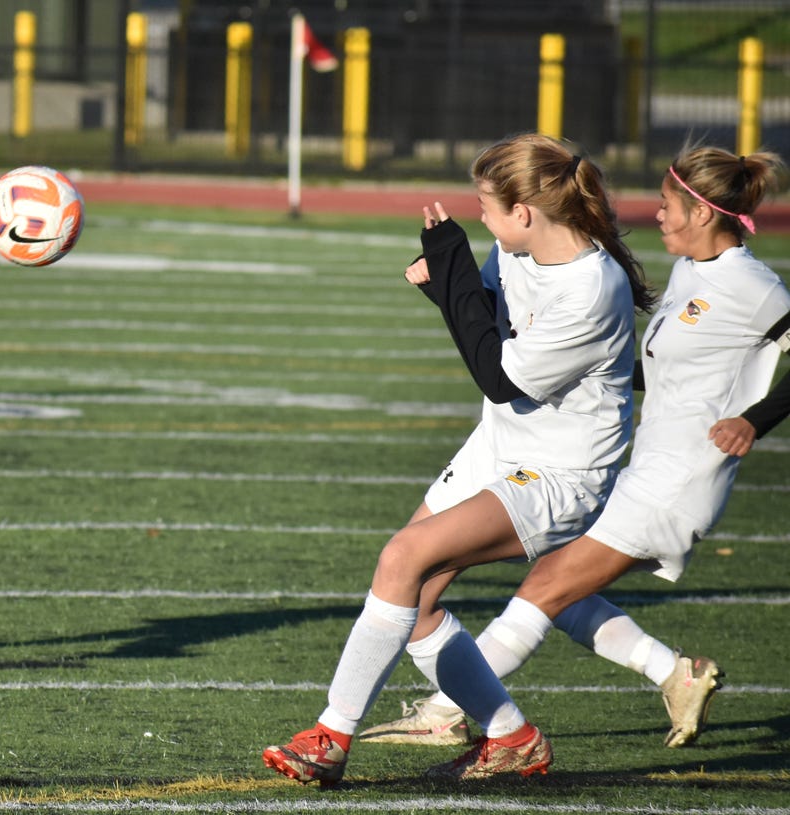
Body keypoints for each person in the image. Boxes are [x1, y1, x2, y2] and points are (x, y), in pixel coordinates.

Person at [357, 145, 790, 751]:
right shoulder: (693, 271)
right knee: (556, 586)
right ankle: (674, 672)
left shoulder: (753, 285)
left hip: (682, 479)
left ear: (703, 214)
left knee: (546, 587)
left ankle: (446, 711)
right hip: (644, 467)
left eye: (667, 207)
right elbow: (650, 371)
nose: (657, 216)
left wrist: (755, 419)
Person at [262, 133, 656, 784]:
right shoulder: (516, 246)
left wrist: (449, 266)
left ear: (524, 211)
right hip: (501, 443)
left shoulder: (592, 287)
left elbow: (497, 375)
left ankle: (329, 736)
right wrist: (446, 285)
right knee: (411, 599)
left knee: (401, 557)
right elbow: (488, 319)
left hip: (562, 473)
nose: (480, 218)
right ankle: (512, 737)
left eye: (486, 205)